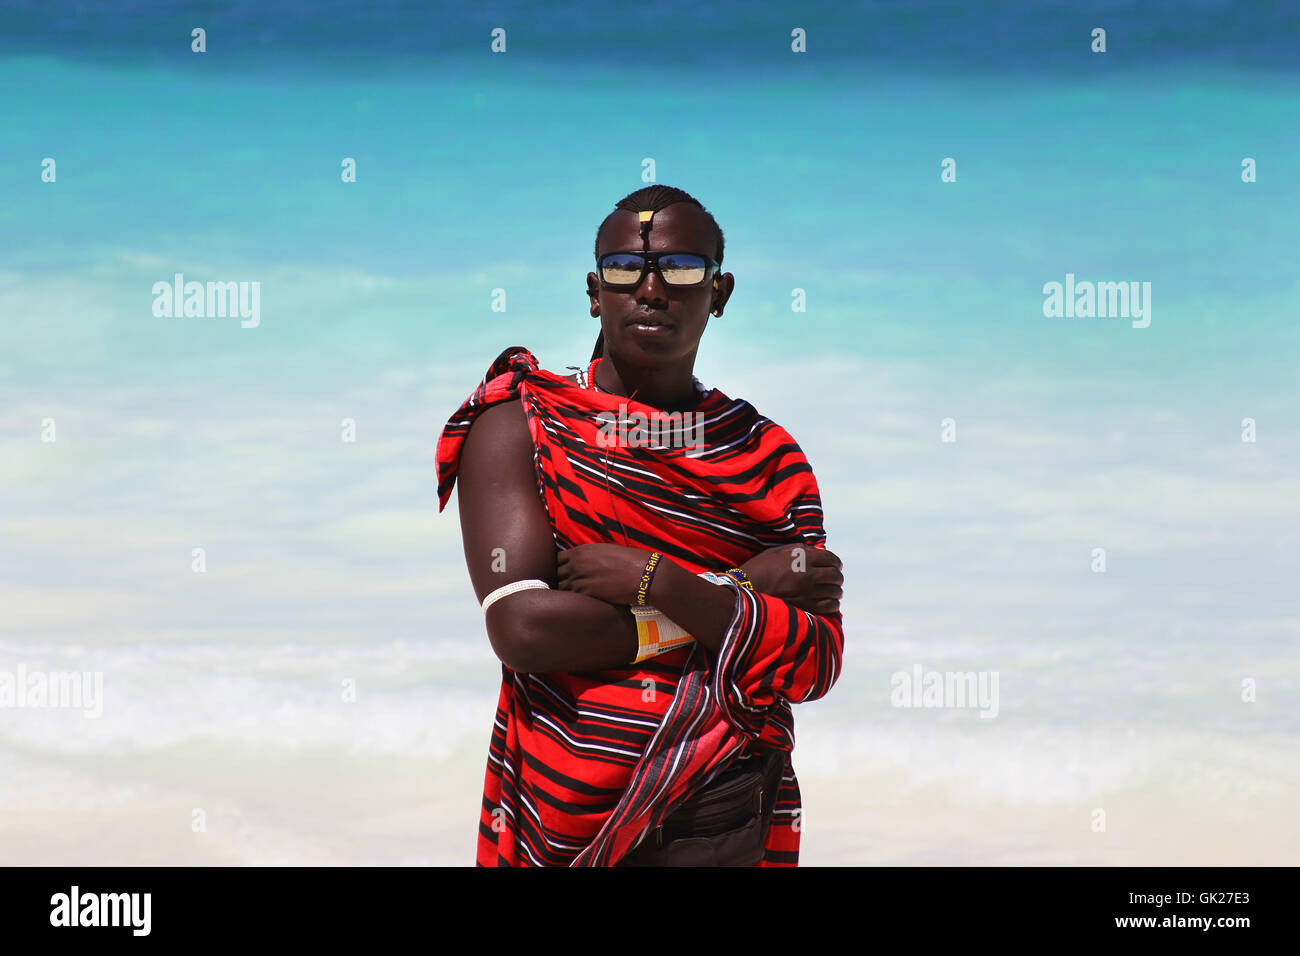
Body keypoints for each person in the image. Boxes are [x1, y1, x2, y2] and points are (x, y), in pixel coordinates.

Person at [436, 184, 844, 866]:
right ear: (596, 292)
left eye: (682, 269)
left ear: (720, 292)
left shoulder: (764, 456)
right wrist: (740, 588)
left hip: (720, 798)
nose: (652, 290)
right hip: (560, 803)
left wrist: (660, 583)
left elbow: (811, 662)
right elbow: (526, 630)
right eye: (627, 270)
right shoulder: (523, 426)